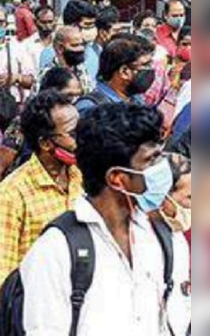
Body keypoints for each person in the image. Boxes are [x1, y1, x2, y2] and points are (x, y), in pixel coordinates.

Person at [20, 103, 190, 336]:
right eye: (151, 160)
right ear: (117, 178)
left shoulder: (166, 237)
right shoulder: (56, 251)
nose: (164, 167)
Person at [0, 90, 83, 320]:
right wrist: (8, 319)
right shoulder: (14, 191)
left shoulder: (83, 176)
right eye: (72, 133)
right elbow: (1, 266)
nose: (81, 139)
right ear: (46, 143)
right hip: (39, 314)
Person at [76, 34, 156, 115]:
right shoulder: (91, 108)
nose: (150, 69)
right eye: (145, 65)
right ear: (124, 71)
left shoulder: (137, 100)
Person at [0, 5, 36, 105]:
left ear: (5, 24)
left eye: (1, 22)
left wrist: (16, 78)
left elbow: (32, 80)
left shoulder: (17, 48)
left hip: (12, 105)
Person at [40, 0, 100, 81]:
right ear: (73, 26)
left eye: (93, 25)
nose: (92, 29)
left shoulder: (93, 51)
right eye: (87, 24)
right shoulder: (51, 54)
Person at [43, 26, 95, 95]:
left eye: (82, 45)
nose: (81, 49)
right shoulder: (46, 74)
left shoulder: (81, 69)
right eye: (75, 45)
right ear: (60, 48)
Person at [20, 5, 55, 77]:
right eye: (43, 22)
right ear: (35, 22)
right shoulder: (27, 45)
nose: (48, 26)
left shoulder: (59, 42)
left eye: (50, 22)